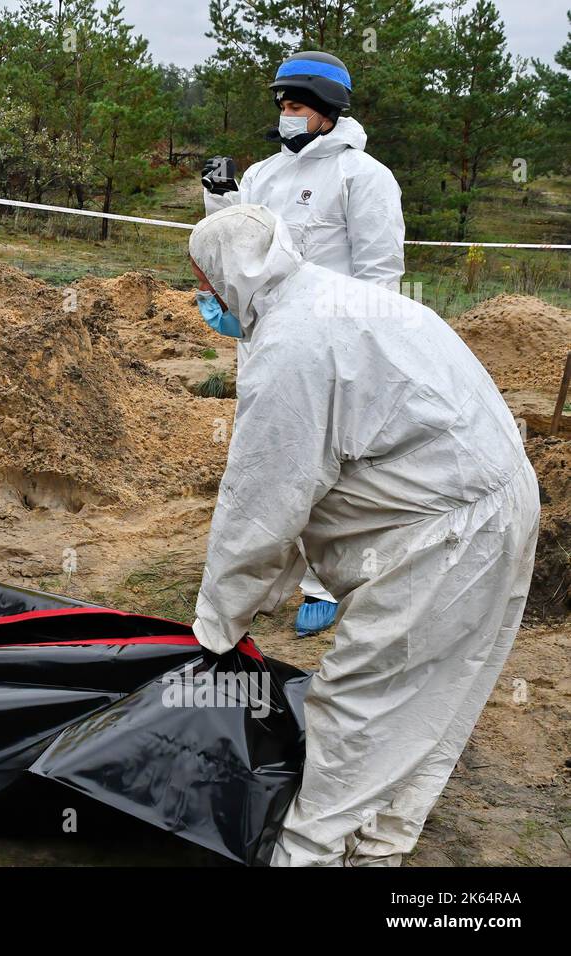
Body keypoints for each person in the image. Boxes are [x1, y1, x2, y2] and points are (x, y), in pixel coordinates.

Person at [187, 204, 539, 866]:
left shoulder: (292, 348)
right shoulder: (332, 297)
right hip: (500, 498)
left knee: (361, 704)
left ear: (232, 276)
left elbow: (261, 511)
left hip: (447, 536)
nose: (201, 300)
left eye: (204, 286)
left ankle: (310, 855)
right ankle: (378, 846)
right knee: (434, 693)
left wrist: (215, 629)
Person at [200, 50, 406, 635]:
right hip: (266, 345)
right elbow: (241, 248)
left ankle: (322, 582)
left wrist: (366, 349)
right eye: (283, 105)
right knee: (266, 462)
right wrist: (220, 197)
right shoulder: (264, 175)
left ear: (326, 109)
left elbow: (380, 273)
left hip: (331, 351)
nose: (286, 115)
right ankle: (261, 577)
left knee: (330, 469)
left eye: (296, 106)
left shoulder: (363, 177)